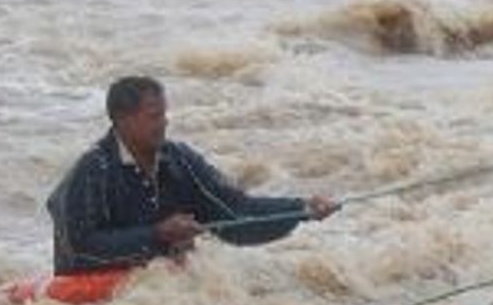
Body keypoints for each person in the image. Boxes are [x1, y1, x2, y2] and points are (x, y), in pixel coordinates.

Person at [47, 75, 338, 274]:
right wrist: (157, 235)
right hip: (97, 296)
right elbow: (79, 248)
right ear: (122, 119)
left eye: (164, 114)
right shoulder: (92, 170)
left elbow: (235, 214)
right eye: (154, 116)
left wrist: (300, 209)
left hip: (160, 286)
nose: (164, 123)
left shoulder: (179, 160)